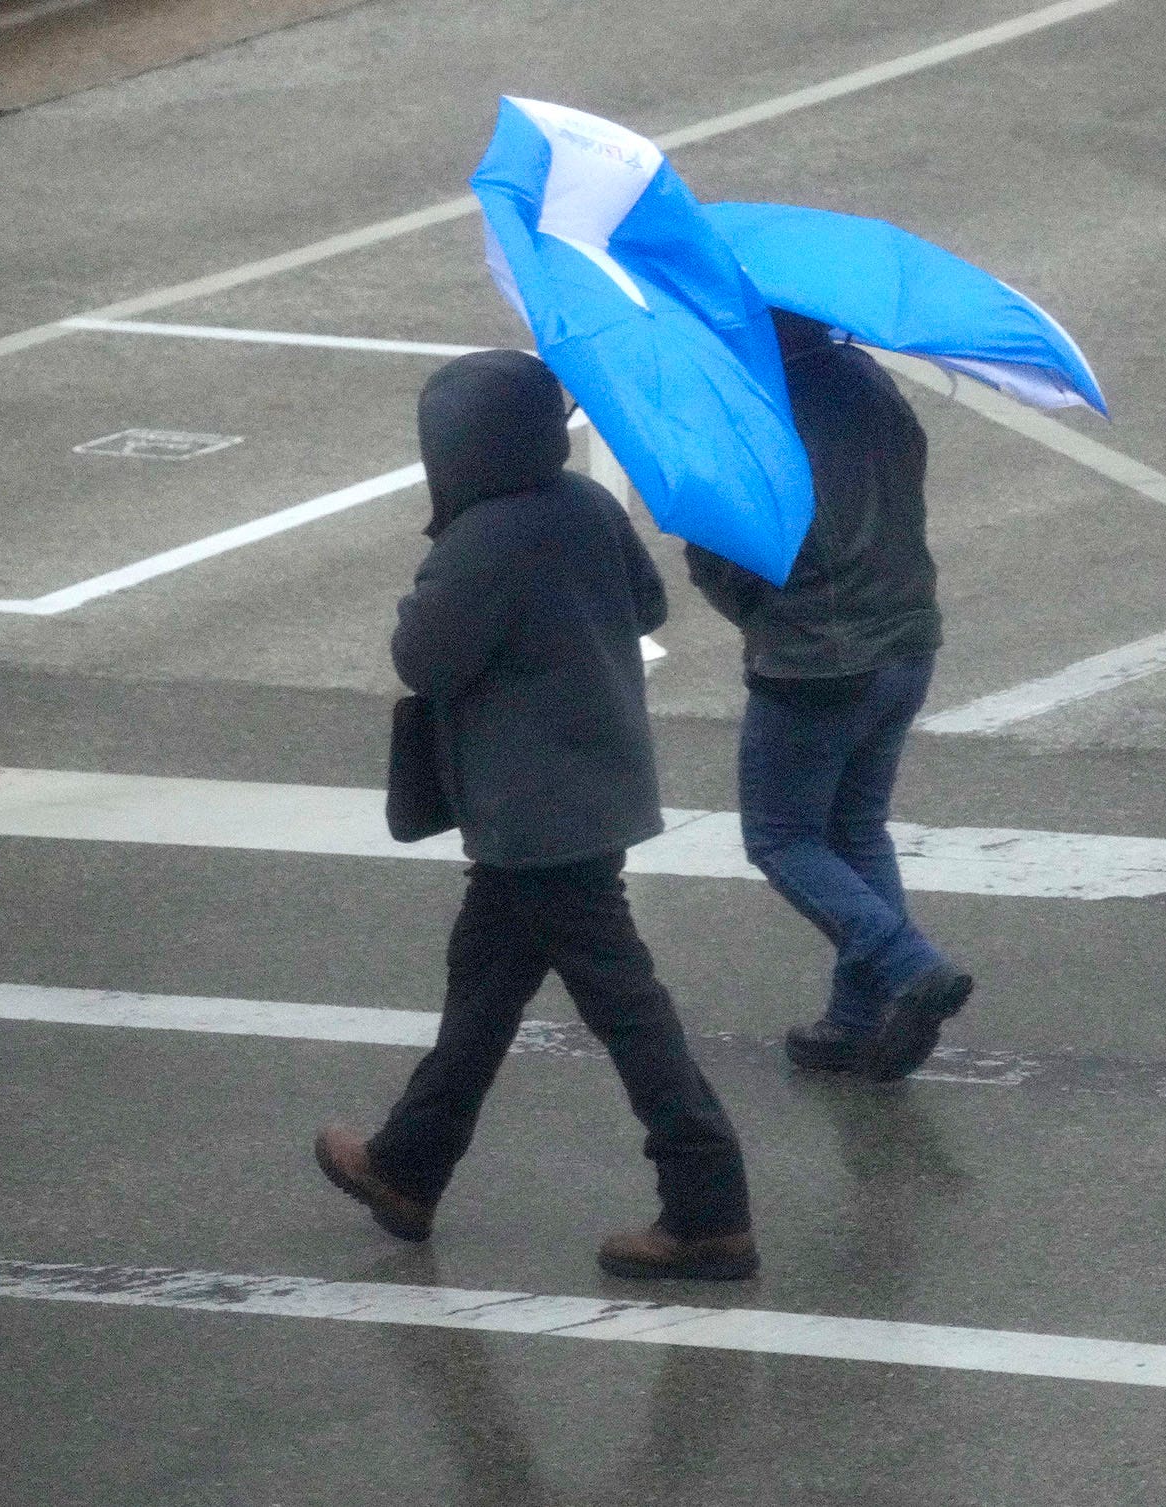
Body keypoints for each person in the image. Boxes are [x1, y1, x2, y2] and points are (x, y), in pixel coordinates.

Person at [316, 348, 758, 1282]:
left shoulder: (481, 541)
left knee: (628, 1012)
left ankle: (710, 1208)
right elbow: (645, 600)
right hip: (591, 795)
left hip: (533, 818)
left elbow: (422, 659)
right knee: (482, 988)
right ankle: (407, 1167)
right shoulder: (586, 507)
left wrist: (443, 564)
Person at [686, 309, 973, 1083]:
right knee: (855, 829)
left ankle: (908, 965)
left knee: (781, 837)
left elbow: (726, 556)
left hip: (817, 661)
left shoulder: (756, 412)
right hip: (907, 640)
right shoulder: (869, 383)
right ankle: (856, 1022)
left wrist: (758, 616)